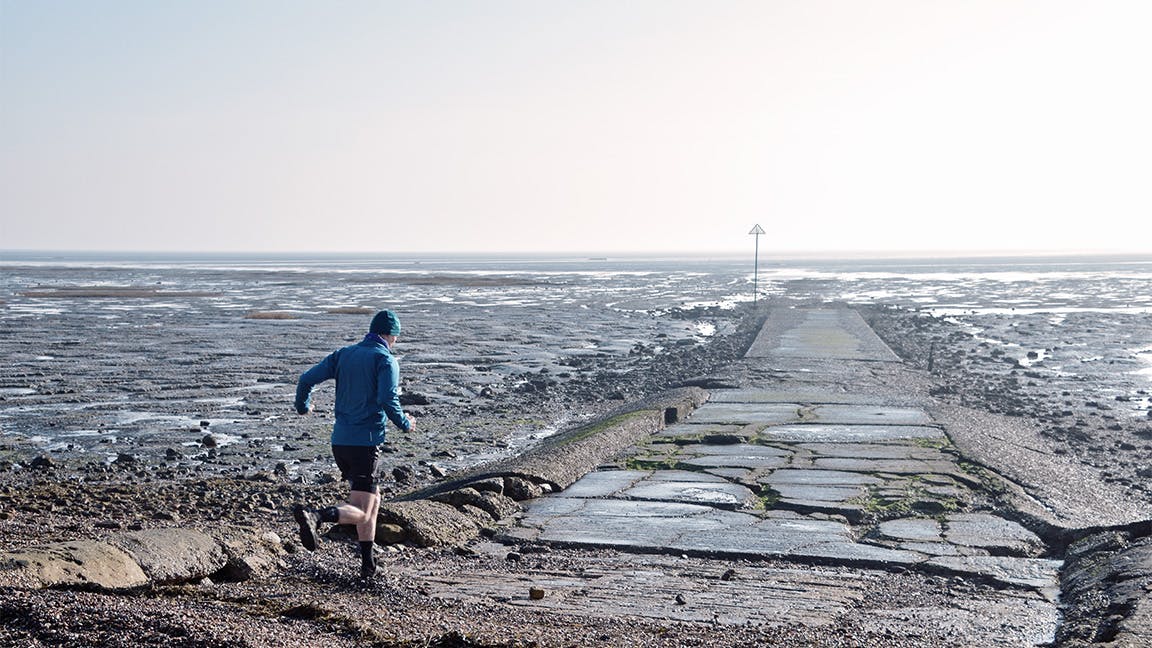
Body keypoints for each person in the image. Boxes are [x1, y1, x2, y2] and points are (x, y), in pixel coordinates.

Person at [291, 309, 415, 579]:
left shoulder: (343, 354)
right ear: (391, 335)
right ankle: (317, 516)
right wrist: (405, 423)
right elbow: (387, 399)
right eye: (396, 337)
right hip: (365, 445)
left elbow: (306, 379)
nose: (395, 341)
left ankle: (368, 564)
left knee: (374, 500)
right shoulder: (385, 360)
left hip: (340, 442)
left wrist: (303, 406)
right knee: (361, 510)